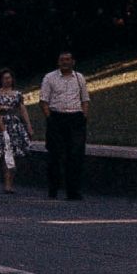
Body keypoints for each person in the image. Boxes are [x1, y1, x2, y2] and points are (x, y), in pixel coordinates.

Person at [38, 51, 91, 201]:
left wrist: (84, 116)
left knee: (75, 155)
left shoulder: (79, 78)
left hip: (75, 118)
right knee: (55, 155)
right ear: (58, 62)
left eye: (68, 60)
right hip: (57, 117)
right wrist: (49, 118)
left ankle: (73, 190)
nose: (65, 62)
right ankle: (53, 188)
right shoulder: (49, 78)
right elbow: (43, 100)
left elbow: (85, 99)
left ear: (73, 62)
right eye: (62, 60)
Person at [0, 68, 34, 195]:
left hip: (15, 124)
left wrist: (28, 126)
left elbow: (22, 109)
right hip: (1, 123)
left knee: (15, 154)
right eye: (5, 78)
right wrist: (1, 108)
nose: (7, 80)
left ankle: (11, 182)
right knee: (6, 153)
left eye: (9, 78)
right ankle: (7, 184)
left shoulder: (17, 94)